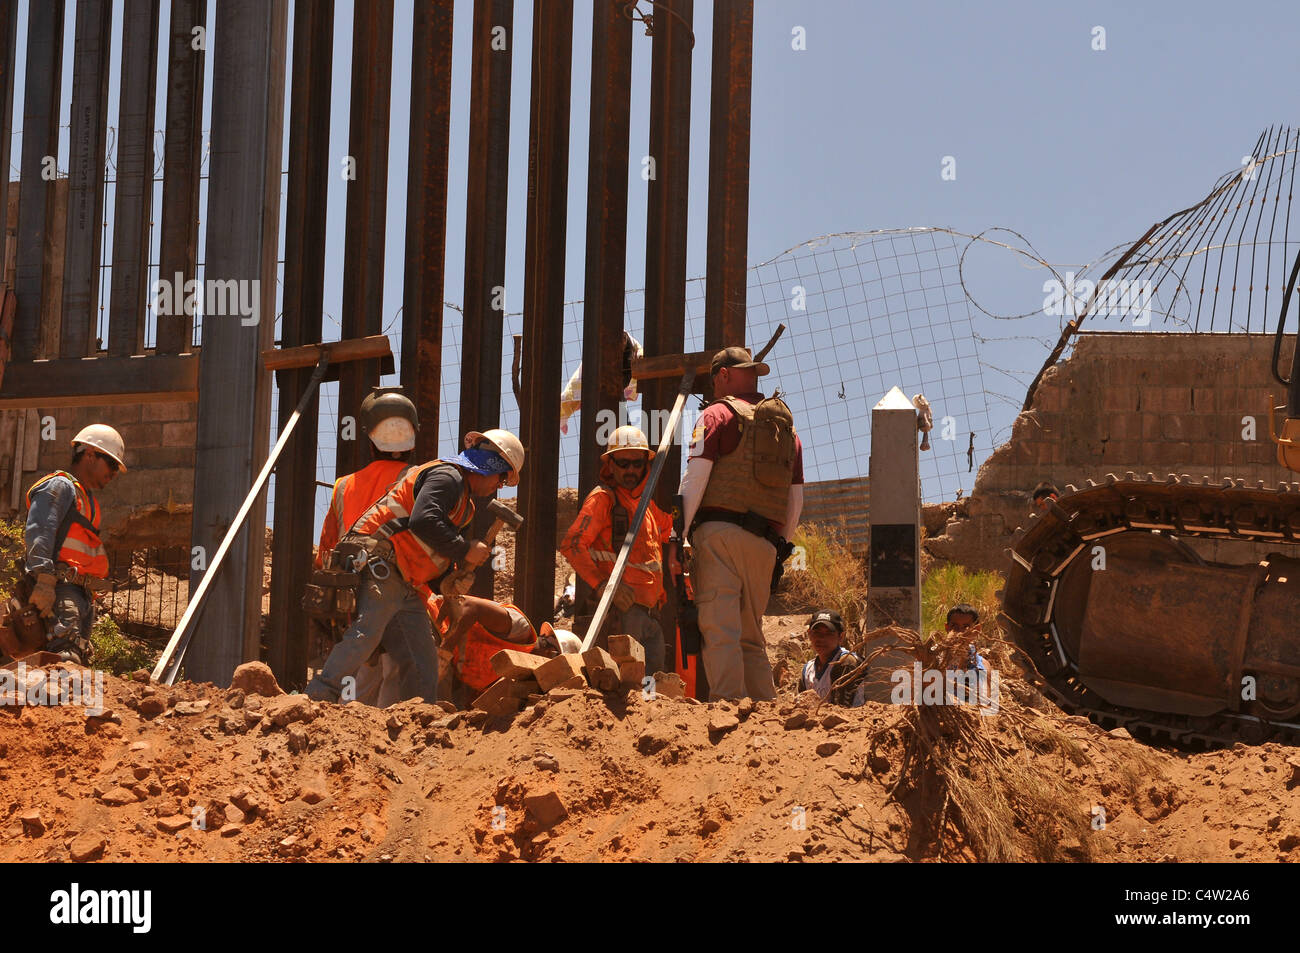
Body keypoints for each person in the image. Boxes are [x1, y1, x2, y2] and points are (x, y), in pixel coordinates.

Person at [305, 428, 524, 705]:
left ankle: (419, 716)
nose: (499, 486)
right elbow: (423, 520)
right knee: (366, 634)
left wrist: (447, 580)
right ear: (489, 466)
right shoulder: (447, 476)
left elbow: (432, 544)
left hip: (405, 582)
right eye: (502, 477)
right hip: (379, 563)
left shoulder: (464, 505)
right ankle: (317, 697)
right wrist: (466, 549)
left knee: (422, 659)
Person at [677, 346, 805, 701]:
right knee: (752, 636)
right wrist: (779, 547)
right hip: (765, 544)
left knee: (720, 630)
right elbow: (795, 501)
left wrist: (680, 534)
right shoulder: (786, 432)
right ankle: (764, 717)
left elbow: (696, 477)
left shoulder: (714, 415)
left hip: (719, 534)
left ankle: (728, 710)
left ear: (722, 376)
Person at [314, 387, 419, 705]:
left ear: (368, 438)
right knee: (398, 682)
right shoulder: (417, 481)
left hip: (354, 600)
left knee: (358, 684)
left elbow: (325, 554)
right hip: (402, 596)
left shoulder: (343, 486)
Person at [560, 426, 670, 676]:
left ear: (646, 466)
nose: (630, 470)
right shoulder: (603, 499)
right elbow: (572, 545)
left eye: (637, 463)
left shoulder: (647, 507)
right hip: (622, 615)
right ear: (610, 465)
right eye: (623, 463)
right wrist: (604, 587)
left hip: (652, 616)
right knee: (626, 686)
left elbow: (673, 530)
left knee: (651, 689)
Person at [23, 425, 126, 664]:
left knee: (73, 658)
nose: (113, 473)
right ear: (89, 454)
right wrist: (44, 580)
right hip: (59, 589)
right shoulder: (60, 486)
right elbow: (40, 532)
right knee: (63, 658)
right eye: (111, 464)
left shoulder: (87, 499)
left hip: (80, 594)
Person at [436, 593, 538, 707]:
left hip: (439, 656)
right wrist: (445, 651)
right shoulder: (520, 629)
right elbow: (472, 606)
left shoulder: (508, 677)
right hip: (433, 624)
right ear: (549, 651)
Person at [796, 609, 864, 707]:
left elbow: (841, 710)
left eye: (829, 633)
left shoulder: (846, 662)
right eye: (817, 633)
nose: (822, 638)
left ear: (841, 636)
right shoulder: (807, 669)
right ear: (809, 634)